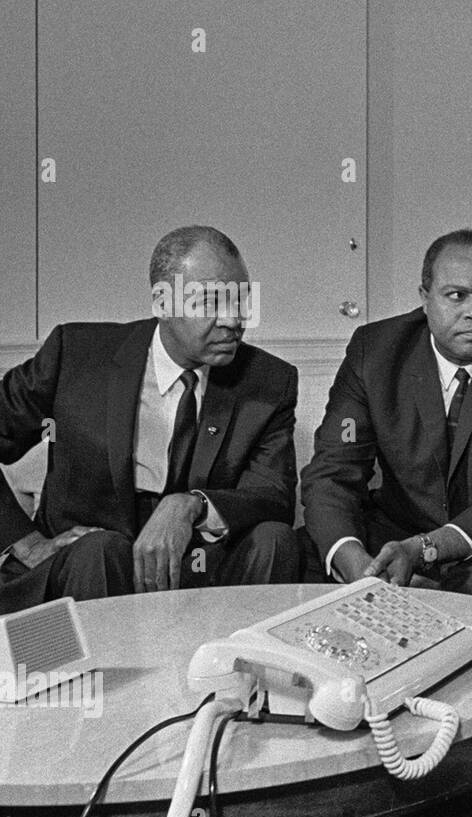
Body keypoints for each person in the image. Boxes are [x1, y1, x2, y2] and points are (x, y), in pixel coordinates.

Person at [0, 225, 299, 613]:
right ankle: (98, 675)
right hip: (91, 567)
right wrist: (29, 544)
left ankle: (236, 669)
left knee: (276, 539)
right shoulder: (76, 355)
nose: (234, 320)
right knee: (100, 551)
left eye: (242, 301)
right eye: (210, 302)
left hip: (200, 566)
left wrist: (191, 505)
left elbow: (272, 496)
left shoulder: (267, 381)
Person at [300, 229, 472, 603]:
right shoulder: (375, 352)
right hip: (394, 533)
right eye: (456, 295)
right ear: (425, 298)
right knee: (303, 551)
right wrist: (358, 568)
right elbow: (333, 472)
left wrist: (426, 549)